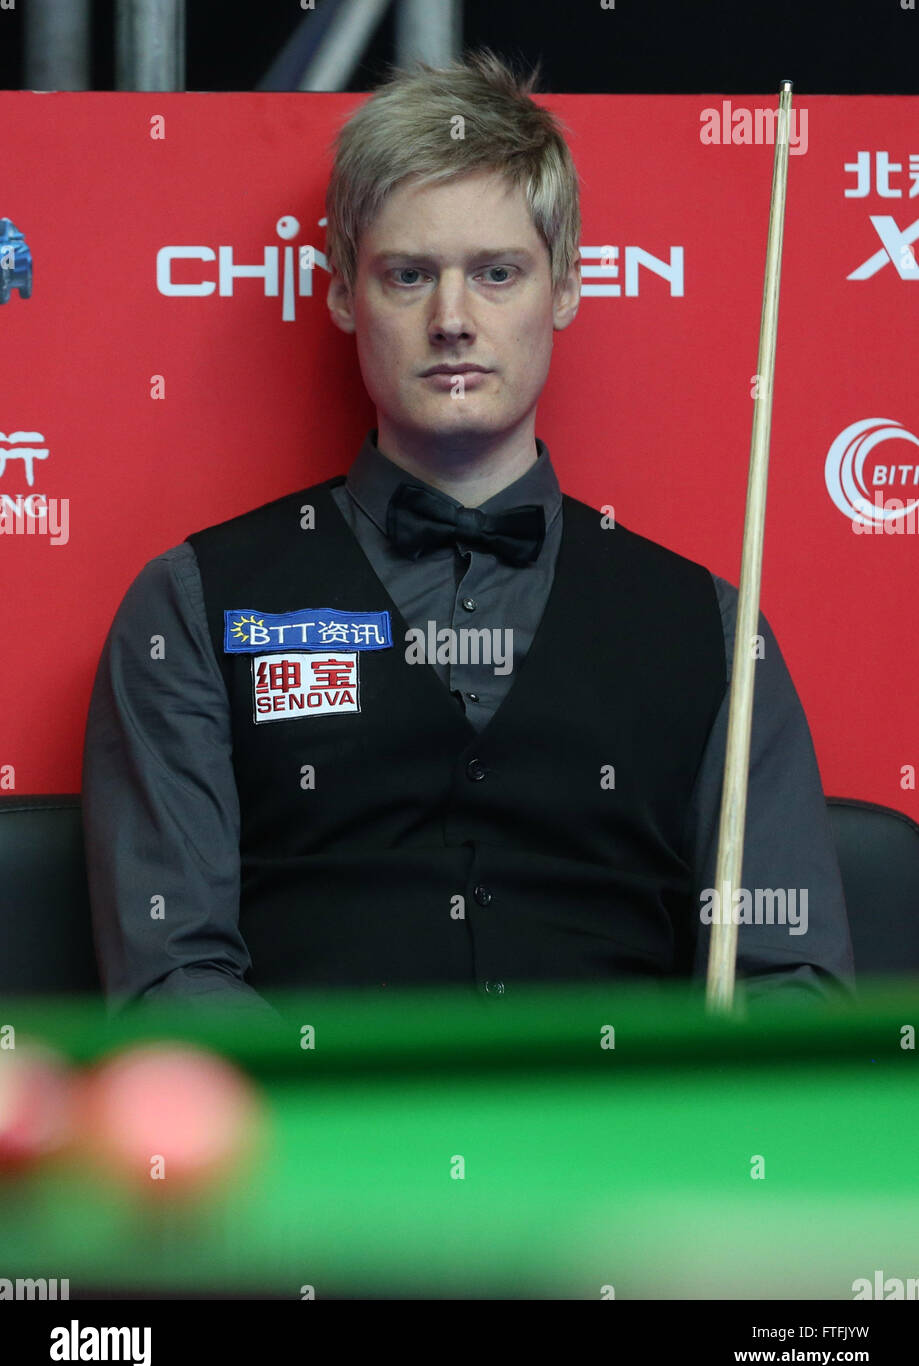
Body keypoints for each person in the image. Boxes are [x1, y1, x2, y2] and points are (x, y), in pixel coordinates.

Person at [81, 49, 855, 1018]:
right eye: (408, 276)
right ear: (338, 294)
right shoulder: (192, 606)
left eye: (497, 273)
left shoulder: (709, 628)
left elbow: (791, 983)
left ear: (565, 289)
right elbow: (174, 981)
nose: (453, 320)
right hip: (320, 1158)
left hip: (621, 1155)